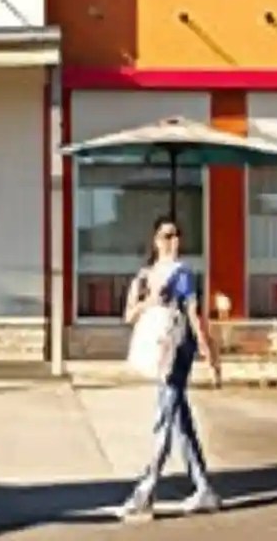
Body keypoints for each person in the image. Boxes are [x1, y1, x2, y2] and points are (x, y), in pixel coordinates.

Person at [116, 215, 222, 518]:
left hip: (177, 347)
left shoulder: (183, 273)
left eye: (176, 236)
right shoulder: (145, 275)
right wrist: (149, 300)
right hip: (156, 345)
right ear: (155, 241)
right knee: (179, 419)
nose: (173, 242)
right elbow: (129, 315)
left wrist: (205, 345)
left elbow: (192, 311)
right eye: (167, 236)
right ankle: (203, 488)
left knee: (165, 413)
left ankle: (146, 490)